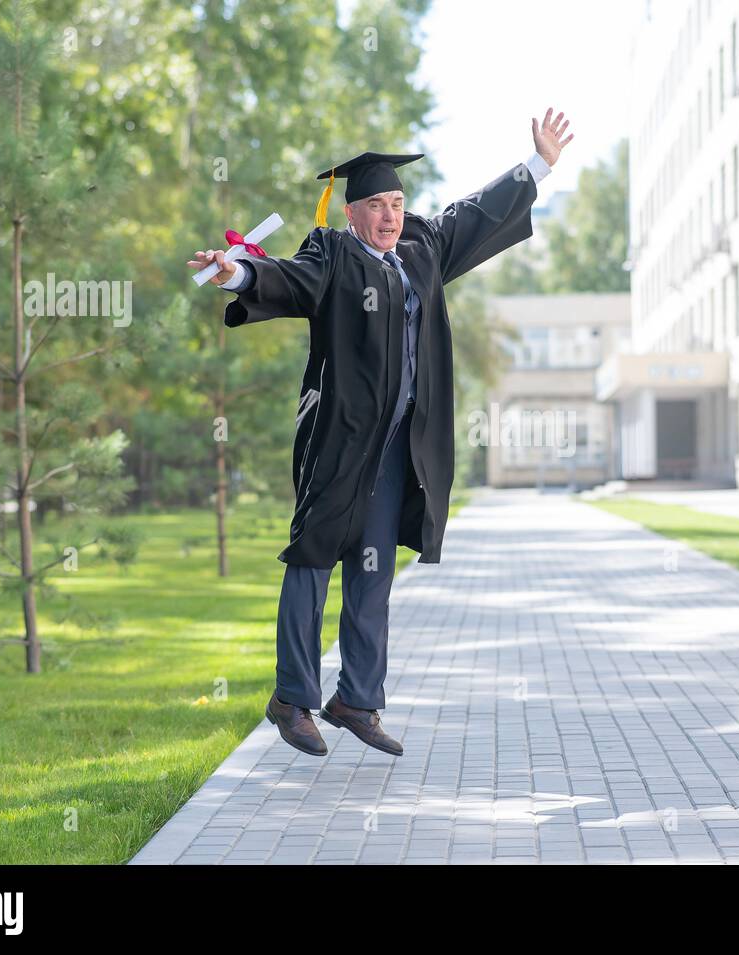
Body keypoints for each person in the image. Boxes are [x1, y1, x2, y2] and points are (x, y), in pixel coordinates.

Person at [187, 109, 573, 758]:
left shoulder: (422, 250)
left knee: (372, 574)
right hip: (340, 443)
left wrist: (538, 165)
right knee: (313, 559)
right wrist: (240, 273)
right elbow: (290, 277)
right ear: (351, 212)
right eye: (377, 204)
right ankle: (292, 697)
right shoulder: (333, 254)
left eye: (397, 202)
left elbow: (475, 214)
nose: (391, 215)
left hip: (399, 452)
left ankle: (356, 699)